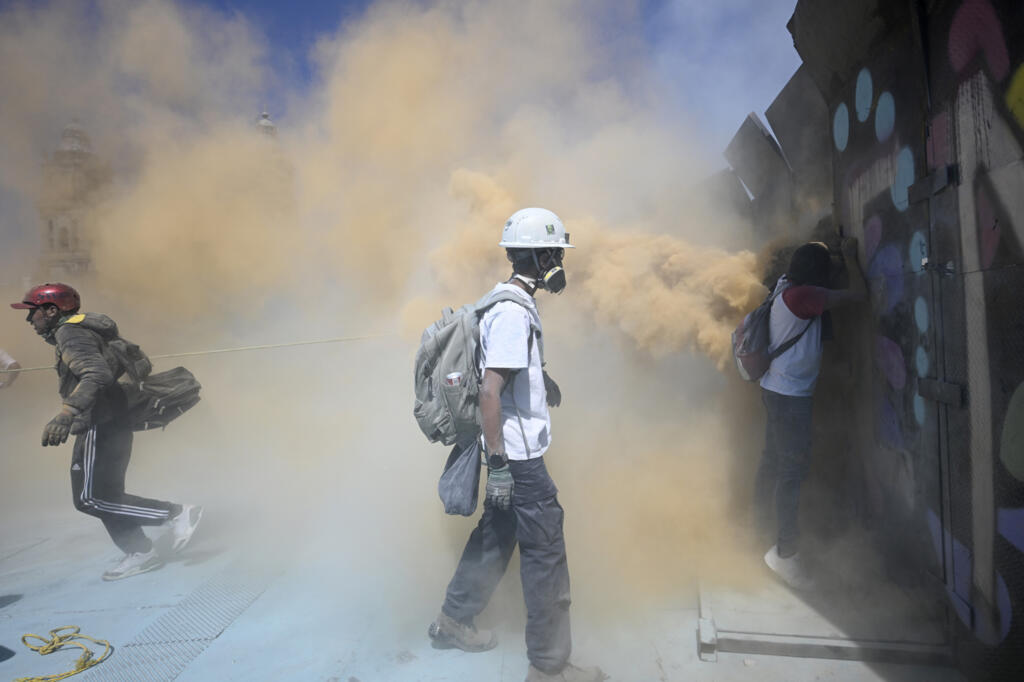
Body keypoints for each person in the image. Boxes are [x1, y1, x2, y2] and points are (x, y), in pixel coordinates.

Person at [428, 209, 603, 682]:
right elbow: (489, 390)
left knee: (497, 534)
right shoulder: (511, 312)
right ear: (540, 255)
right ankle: (548, 668)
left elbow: (505, 371)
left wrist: (540, 380)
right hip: (520, 460)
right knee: (545, 550)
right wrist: (502, 467)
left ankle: (452, 619)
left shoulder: (506, 301)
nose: (559, 262)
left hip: (508, 452)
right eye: (554, 253)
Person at [11, 283, 202, 581]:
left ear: (51, 310)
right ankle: (139, 551)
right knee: (107, 494)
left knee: (89, 498)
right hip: (109, 419)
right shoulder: (81, 329)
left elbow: (96, 373)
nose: (29, 320)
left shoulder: (70, 333)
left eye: (32, 313)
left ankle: (175, 514)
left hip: (101, 421)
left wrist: (67, 413)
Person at [756, 238, 866, 590]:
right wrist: (849, 257)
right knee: (791, 471)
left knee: (772, 462)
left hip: (774, 388)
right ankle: (784, 555)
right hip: (790, 397)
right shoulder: (805, 296)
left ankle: (756, 532)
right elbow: (859, 297)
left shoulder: (784, 286)